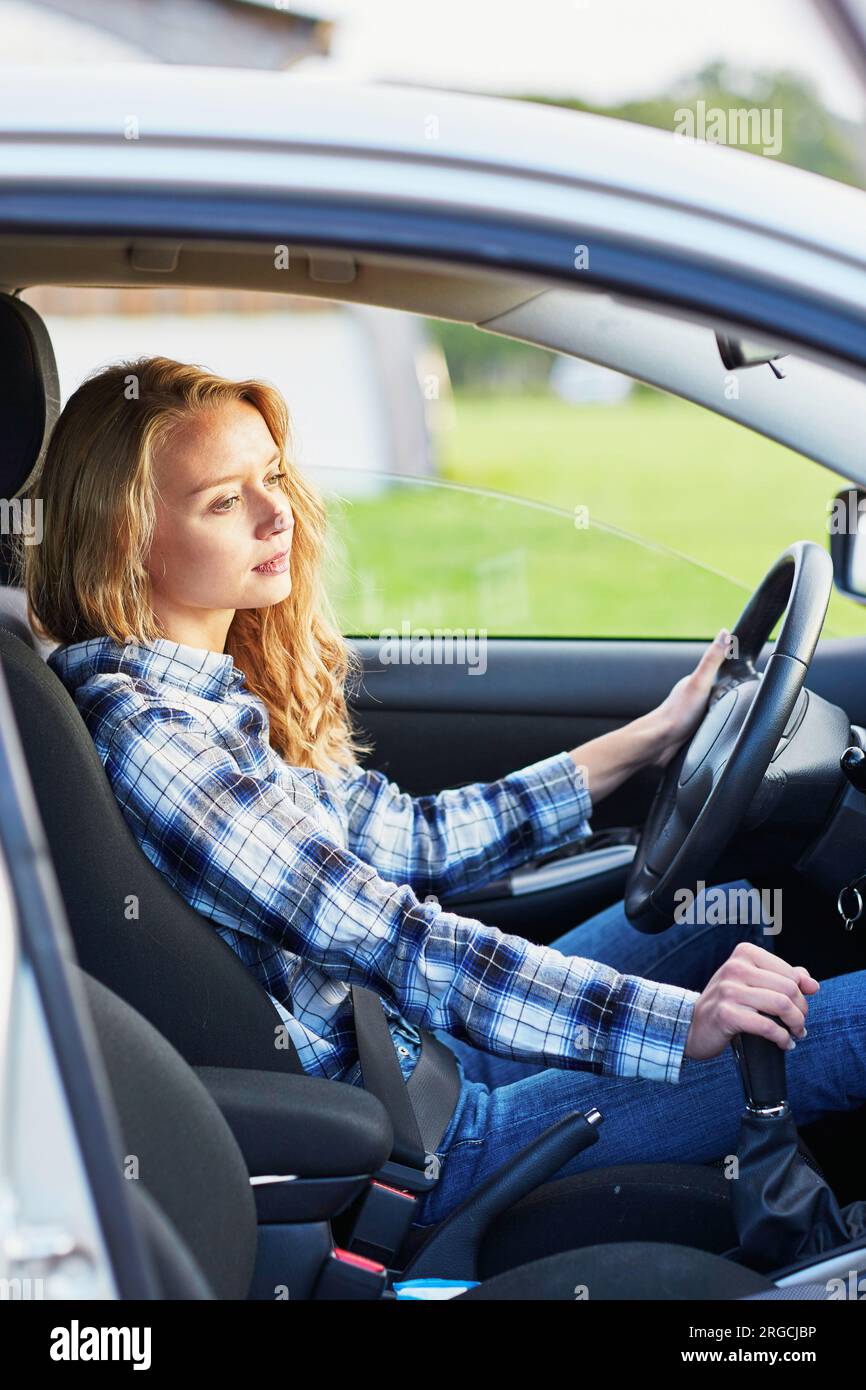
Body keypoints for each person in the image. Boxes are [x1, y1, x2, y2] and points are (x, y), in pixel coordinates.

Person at [20, 356, 865, 1235]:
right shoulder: (156, 740)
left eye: (272, 477)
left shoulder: (195, 697)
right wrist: (678, 1023)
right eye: (224, 502)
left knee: (728, 905)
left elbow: (404, 836)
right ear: (127, 537)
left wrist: (647, 741)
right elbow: (392, 936)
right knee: (844, 1029)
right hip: (432, 1145)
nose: (280, 514)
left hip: (420, 1056)